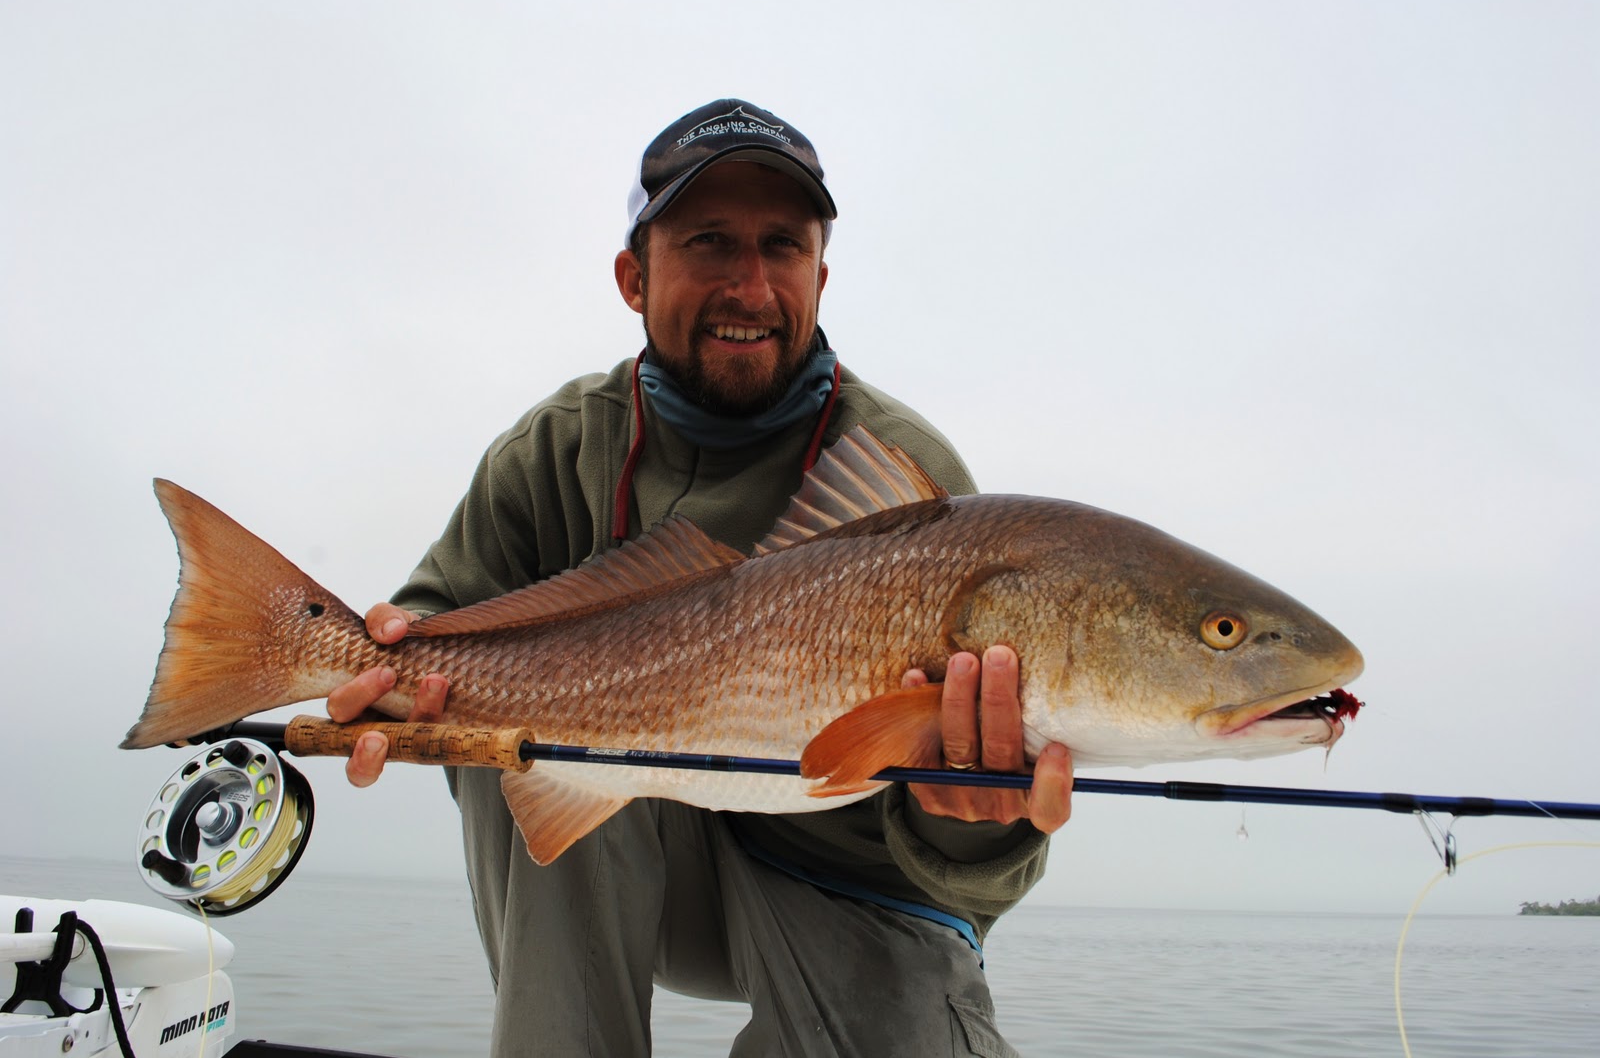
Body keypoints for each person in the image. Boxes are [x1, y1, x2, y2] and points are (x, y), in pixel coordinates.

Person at [325, 98, 1073, 1058]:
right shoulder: (555, 447)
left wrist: (977, 823)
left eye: (782, 246)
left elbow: (969, 872)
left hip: (845, 880)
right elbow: (433, 614)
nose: (751, 286)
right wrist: (383, 663)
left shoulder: (910, 478)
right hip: (622, 866)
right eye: (710, 241)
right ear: (634, 277)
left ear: (821, 274)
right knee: (524, 740)